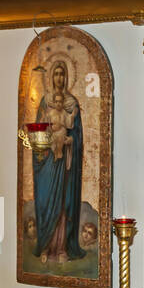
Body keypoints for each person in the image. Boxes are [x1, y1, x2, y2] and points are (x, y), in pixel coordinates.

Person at [33, 60, 85, 265]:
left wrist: (72, 140)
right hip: (47, 161)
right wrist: (46, 141)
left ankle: (61, 248)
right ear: (51, 77)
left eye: (62, 74)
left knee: (62, 203)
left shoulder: (72, 104)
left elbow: (77, 132)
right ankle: (46, 245)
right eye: (56, 74)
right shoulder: (45, 103)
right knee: (47, 200)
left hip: (65, 162)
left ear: (67, 78)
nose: (59, 78)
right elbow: (39, 131)